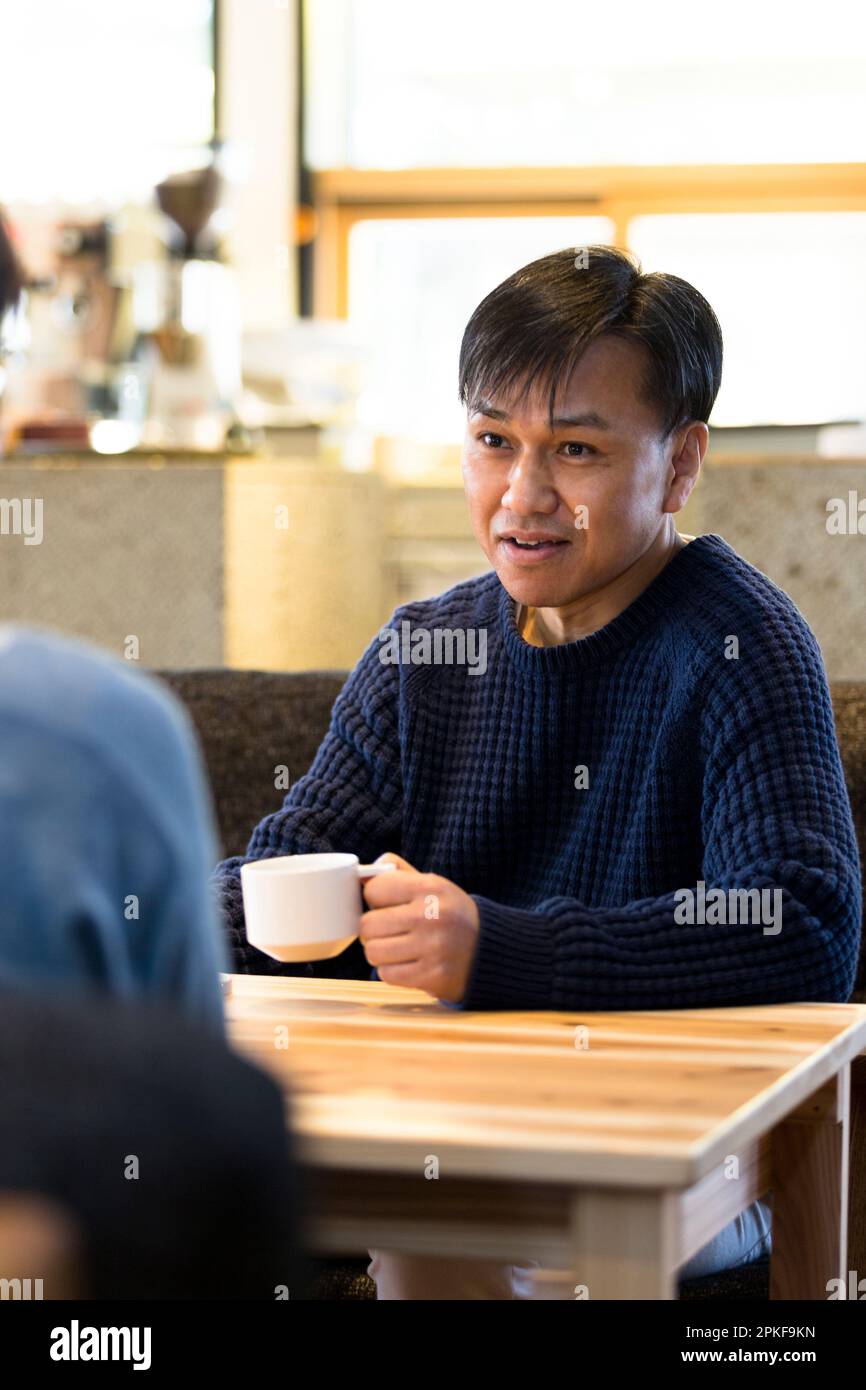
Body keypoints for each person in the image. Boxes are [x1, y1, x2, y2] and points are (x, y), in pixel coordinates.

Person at [213, 245, 860, 1297]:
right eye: (490, 440)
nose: (523, 493)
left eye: (573, 450)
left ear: (680, 463)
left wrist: (497, 950)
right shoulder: (425, 651)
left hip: (669, 1153)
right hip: (436, 1121)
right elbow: (275, 879)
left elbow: (800, 925)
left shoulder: (738, 639)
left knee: (439, 1227)